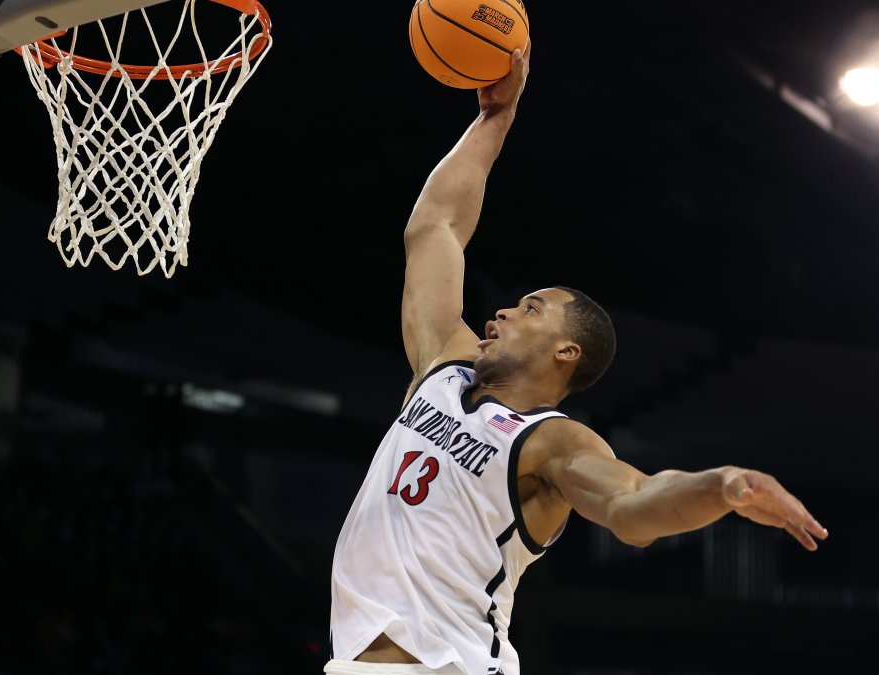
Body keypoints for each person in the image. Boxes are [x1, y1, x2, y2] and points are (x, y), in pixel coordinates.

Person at [325, 47, 828, 675]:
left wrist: (721, 485)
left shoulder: (550, 442)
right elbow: (437, 228)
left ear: (568, 353)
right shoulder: (443, 369)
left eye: (530, 308)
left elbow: (635, 502)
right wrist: (497, 116)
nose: (502, 313)